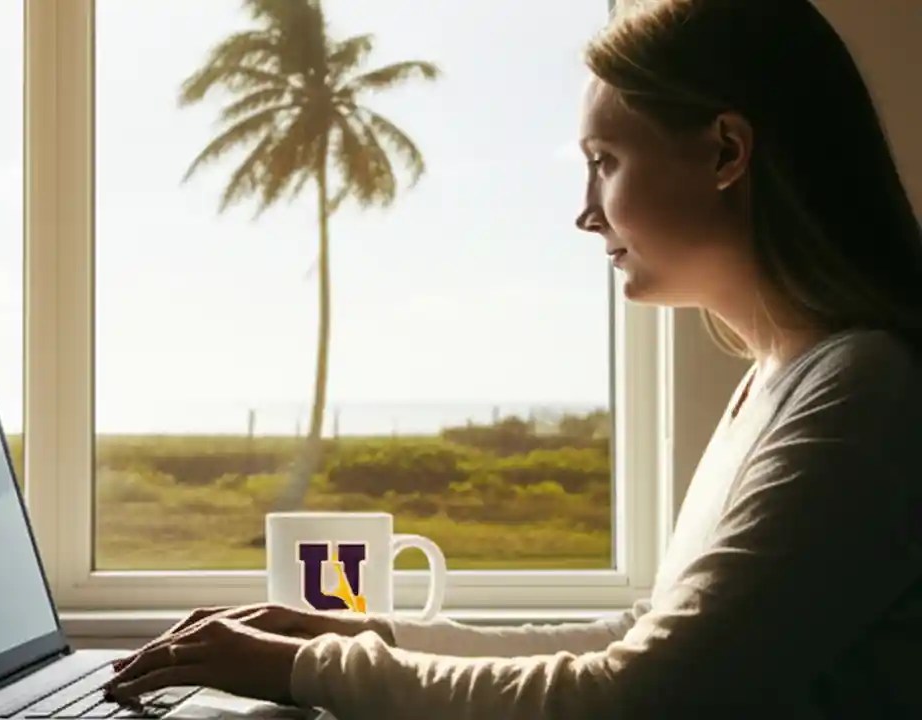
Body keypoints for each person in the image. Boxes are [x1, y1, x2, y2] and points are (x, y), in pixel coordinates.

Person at [105, 0, 922, 716]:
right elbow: (649, 635)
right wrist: (365, 632)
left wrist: (308, 668)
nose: (585, 212)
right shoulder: (782, 380)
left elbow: (648, 694)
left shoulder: (864, 391)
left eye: (605, 161)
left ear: (724, 153)